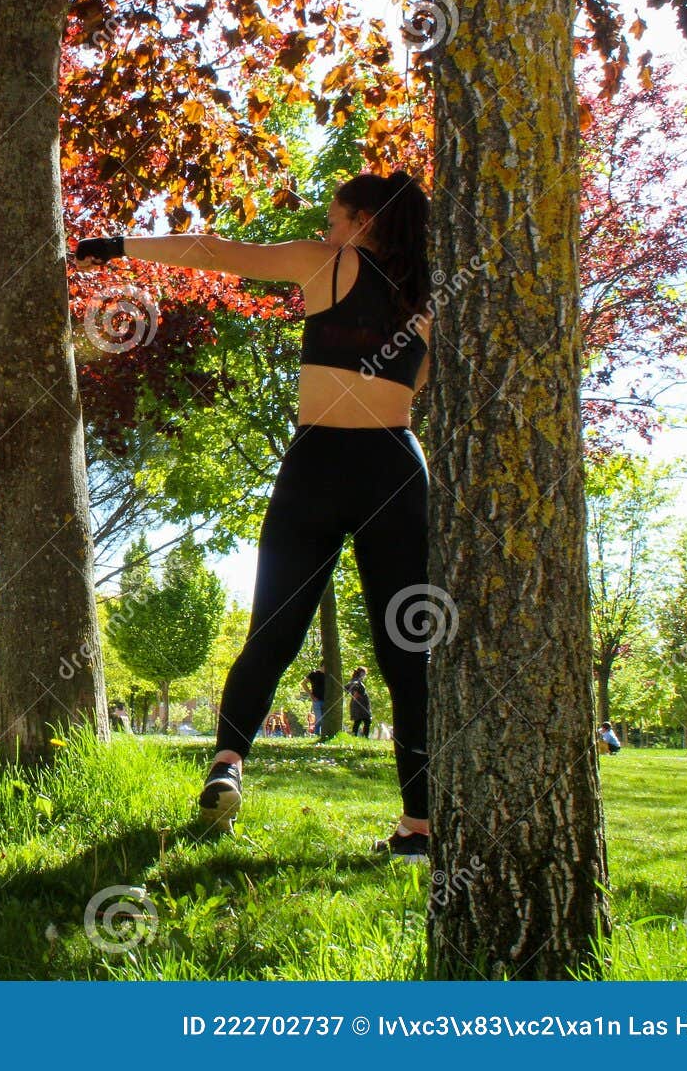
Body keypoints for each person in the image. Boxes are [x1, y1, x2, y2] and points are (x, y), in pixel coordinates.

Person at [76, 170, 435, 859]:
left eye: (335, 218)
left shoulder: (328, 262)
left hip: (317, 466)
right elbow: (415, 384)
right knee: (406, 651)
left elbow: (214, 252)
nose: (327, 229)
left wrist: (119, 244)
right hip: (395, 468)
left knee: (273, 631)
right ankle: (418, 828)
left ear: (362, 221)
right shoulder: (426, 301)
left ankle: (228, 763)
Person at [347, 666, 373, 738]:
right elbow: (348, 686)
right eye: (364, 674)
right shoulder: (355, 681)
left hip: (362, 704)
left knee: (362, 721)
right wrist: (355, 692)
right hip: (359, 705)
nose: (365, 676)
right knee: (363, 720)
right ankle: (362, 737)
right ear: (361, 673)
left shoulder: (358, 681)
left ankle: (359, 736)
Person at [306, 668, 327, 735]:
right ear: (322, 666)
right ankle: (318, 734)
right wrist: (311, 695)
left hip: (326, 700)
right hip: (316, 700)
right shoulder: (314, 674)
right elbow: (303, 683)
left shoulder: (329, 674)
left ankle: (318, 734)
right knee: (319, 718)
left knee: (321, 719)